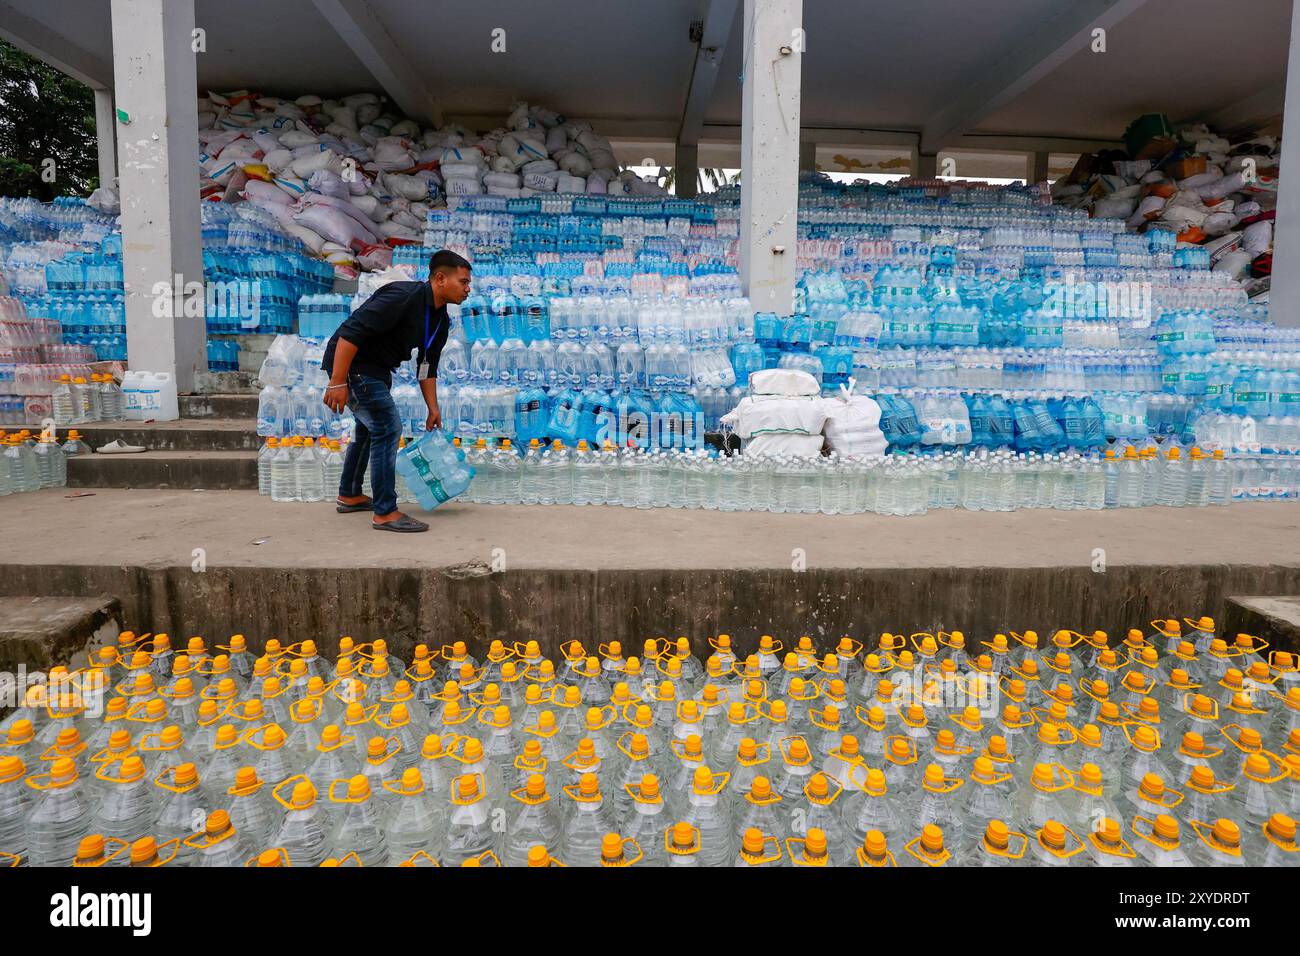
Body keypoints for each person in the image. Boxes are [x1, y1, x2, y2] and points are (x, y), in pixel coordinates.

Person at [321, 250, 472, 532]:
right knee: (387, 427)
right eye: (463, 281)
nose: (468, 288)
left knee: (369, 429)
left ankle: (350, 494)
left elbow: (427, 365)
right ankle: (385, 511)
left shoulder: (440, 320)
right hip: (353, 364)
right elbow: (350, 333)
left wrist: (433, 408)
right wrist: (338, 381)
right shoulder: (403, 297)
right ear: (440, 278)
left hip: (375, 369)